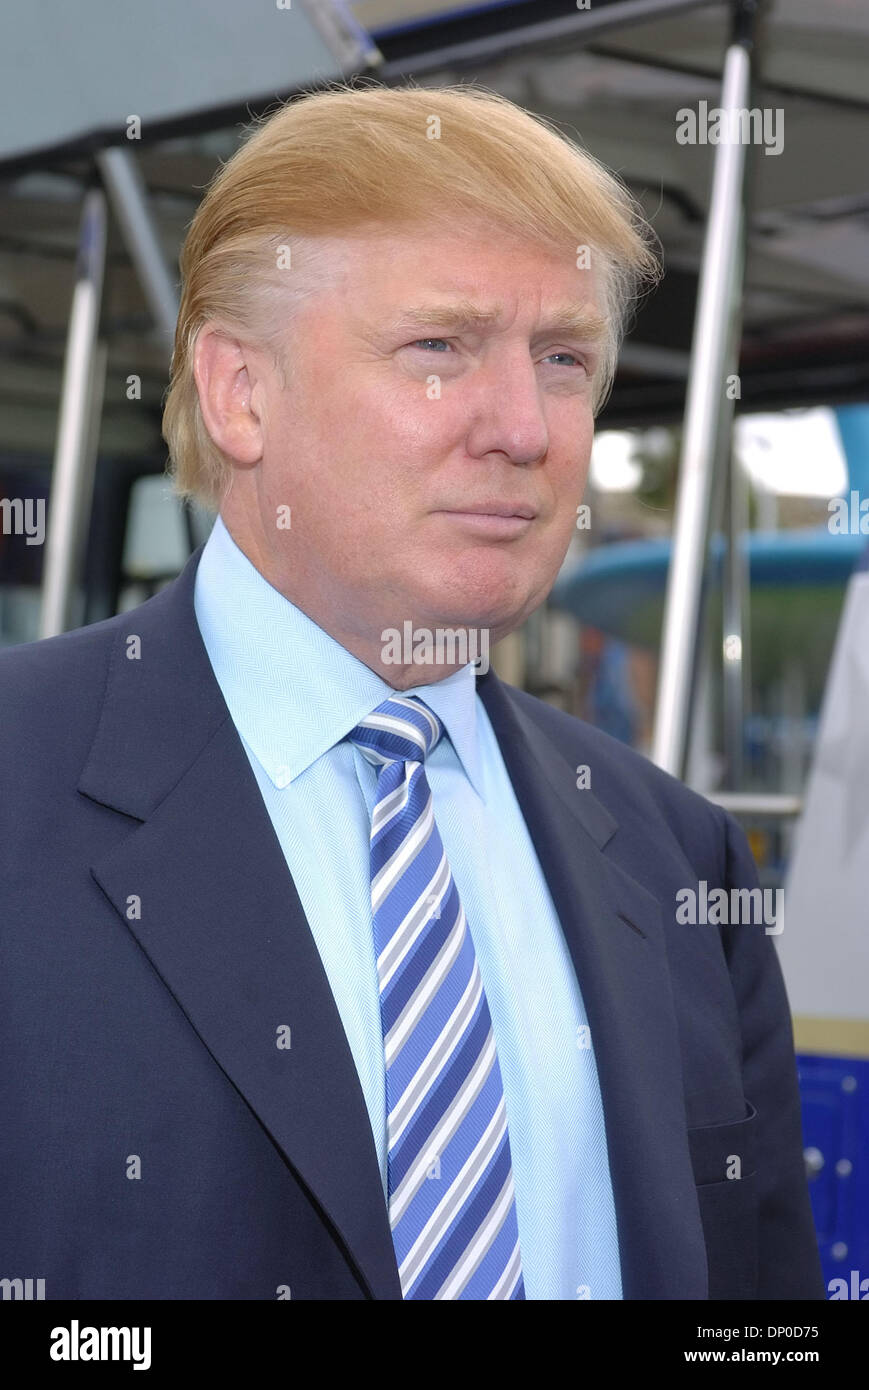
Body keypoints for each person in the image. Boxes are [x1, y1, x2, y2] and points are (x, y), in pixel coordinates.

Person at [0, 81, 823, 1300]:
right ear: (240, 393)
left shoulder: (674, 856)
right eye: (438, 347)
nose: (523, 427)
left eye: (562, 359)